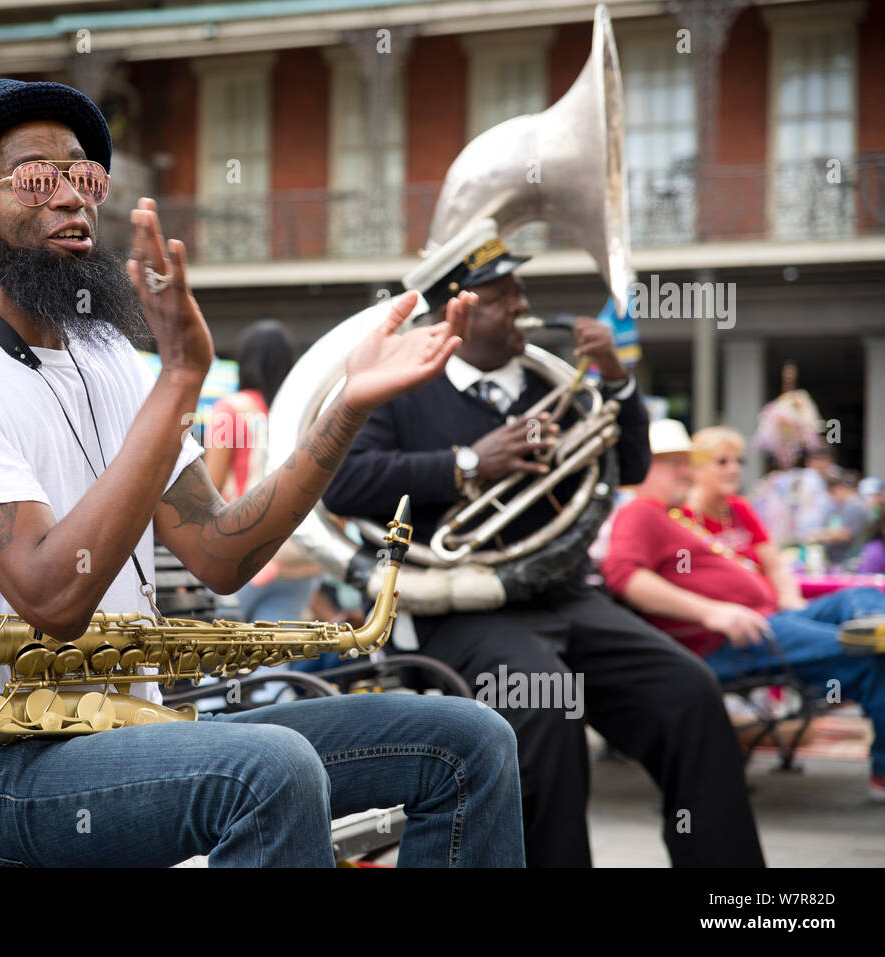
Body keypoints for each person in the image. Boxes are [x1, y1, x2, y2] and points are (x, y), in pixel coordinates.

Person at [0, 78, 525, 869]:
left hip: (130, 734)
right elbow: (51, 593)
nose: (73, 200)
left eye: (85, 178)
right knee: (269, 771)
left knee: (471, 740)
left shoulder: (107, 357)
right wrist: (181, 376)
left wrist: (347, 404)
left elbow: (222, 552)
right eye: (38, 180)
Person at [323, 223, 764, 867]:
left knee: (690, 693)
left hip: (567, 596)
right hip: (464, 610)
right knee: (545, 702)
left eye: (519, 291)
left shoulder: (550, 385)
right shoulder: (404, 391)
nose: (521, 306)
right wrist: (470, 462)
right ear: (458, 309)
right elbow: (345, 484)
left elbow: (633, 465)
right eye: (502, 296)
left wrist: (617, 384)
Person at [602, 419, 885, 802]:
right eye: (675, 463)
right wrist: (711, 612)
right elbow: (624, 576)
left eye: (688, 461)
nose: (687, 470)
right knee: (867, 652)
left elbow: (769, 565)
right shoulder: (641, 512)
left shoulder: (673, 513)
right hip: (732, 638)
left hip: (766, 620)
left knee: (860, 601)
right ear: (642, 466)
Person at [205, 320, 322, 623]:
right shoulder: (302, 414)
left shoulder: (230, 410)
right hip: (299, 558)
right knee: (274, 660)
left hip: (244, 553)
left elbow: (209, 487)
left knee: (218, 661)